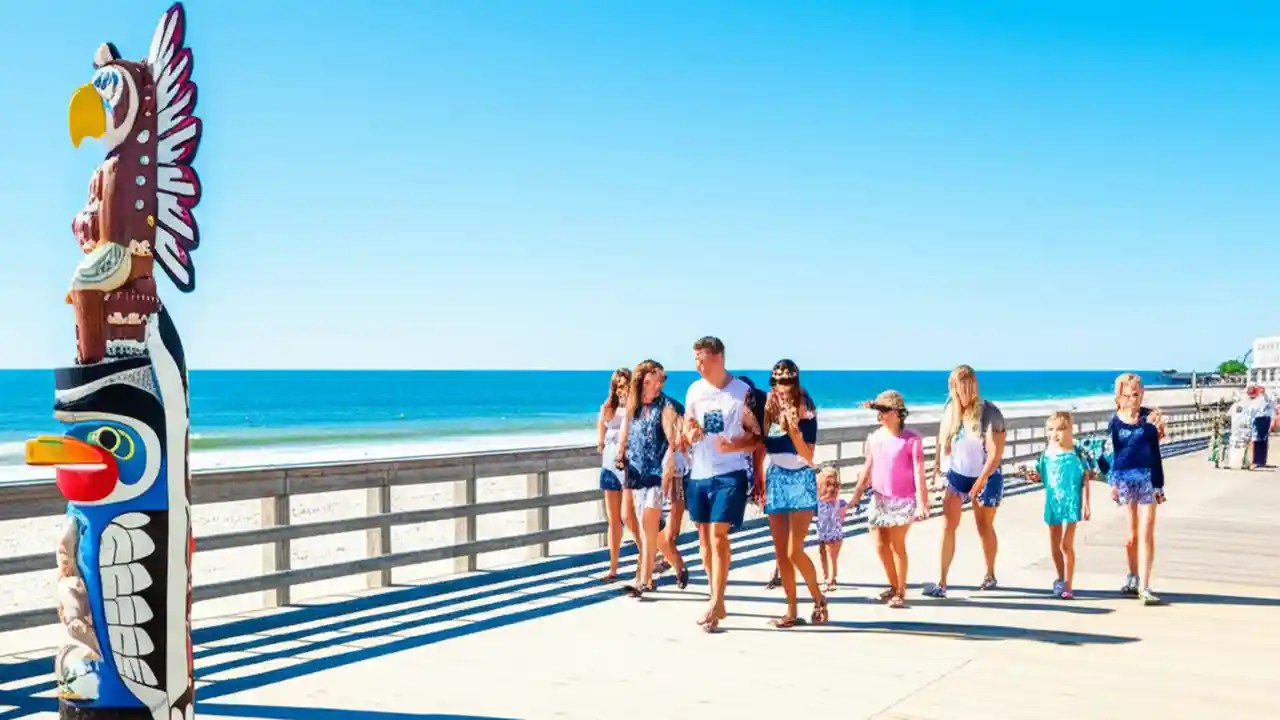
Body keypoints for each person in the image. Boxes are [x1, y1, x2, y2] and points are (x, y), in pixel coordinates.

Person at [683, 336, 762, 632]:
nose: (697, 365)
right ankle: (716, 597)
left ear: (719, 358)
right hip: (699, 473)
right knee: (704, 542)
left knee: (718, 536)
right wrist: (688, 434)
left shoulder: (743, 392)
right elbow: (687, 424)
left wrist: (736, 445)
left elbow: (757, 436)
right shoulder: (694, 390)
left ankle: (715, 603)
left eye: (701, 359)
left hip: (730, 472)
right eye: (695, 359)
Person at [925, 365, 1007, 598]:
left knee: (984, 527)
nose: (956, 391)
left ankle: (990, 573)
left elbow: (995, 454)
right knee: (948, 525)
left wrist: (979, 483)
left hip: (986, 476)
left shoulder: (989, 412)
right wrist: (937, 470)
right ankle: (941, 581)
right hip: (958, 475)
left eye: (959, 386)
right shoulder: (950, 409)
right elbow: (942, 440)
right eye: (953, 386)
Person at [761, 359, 828, 627]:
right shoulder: (770, 405)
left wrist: (794, 430)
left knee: (794, 550)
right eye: (776, 381)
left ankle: (818, 599)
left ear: (796, 381)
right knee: (781, 553)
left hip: (800, 478)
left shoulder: (806, 409)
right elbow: (762, 442)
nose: (781, 386)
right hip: (776, 477)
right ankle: (791, 611)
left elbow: (809, 456)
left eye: (787, 380)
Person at [615, 360, 688, 597]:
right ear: (643, 380)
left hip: (658, 475)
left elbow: (673, 438)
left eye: (662, 380)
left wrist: (670, 460)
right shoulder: (633, 405)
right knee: (648, 529)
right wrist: (620, 451)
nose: (660, 384)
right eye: (657, 379)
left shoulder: (666, 406)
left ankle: (643, 580)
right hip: (636, 473)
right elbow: (625, 429)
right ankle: (677, 564)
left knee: (648, 526)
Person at [850, 391, 929, 608]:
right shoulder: (874, 438)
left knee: (897, 544)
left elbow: (918, 471)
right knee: (880, 545)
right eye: (878, 410)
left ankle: (901, 591)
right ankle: (893, 586)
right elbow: (868, 467)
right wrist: (855, 495)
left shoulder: (912, 439)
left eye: (883, 410)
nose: (880, 415)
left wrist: (922, 503)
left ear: (896, 413)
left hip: (903, 500)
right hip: (879, 499)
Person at [1096, 373, 1166, 605]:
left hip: (1147, 477)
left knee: (1147, 532)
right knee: (1132, 536)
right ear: (1118, 396)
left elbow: (1156, 453)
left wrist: (1158, 485)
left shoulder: (1150, 419)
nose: (1131, 400)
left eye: (1135, 394)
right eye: (1126, 395)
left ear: (1142, 393)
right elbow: (1110, 455)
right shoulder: (1114, 421)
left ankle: (1145, 586)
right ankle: (1133, 575)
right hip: (1125, 479)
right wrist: (1112, 482)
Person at [1024, 411, 1094, 599]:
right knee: (1054, 544)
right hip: (1053, 502)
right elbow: (1041, 476)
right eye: (1051, 430)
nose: (1055, 434)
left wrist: (1087, 504)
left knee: (1066, 545)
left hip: (1072, 502)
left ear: (1071, 430)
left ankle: (1069, 585)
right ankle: (1060, 578)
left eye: (1061, 429)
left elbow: (1086, 478)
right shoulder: (1047, 455)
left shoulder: (1077, 454)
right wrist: (1031, 475)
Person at [596, 367, 638, 581]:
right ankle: (613, 567)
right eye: (617, 385)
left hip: (628, 465)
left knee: (628, 517)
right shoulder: (608, 407)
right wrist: (602, 441)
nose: (621, 388)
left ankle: (648, 557)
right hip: (609, 465)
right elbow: (600, 437)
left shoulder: (635, 408)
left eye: (625, 384)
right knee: (613, 520)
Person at [814, 467, 847, 591]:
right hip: (823, 532)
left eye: (834, 485)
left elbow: (843, 513)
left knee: (831, 556)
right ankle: (825, 576)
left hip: (834, 533)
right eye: (827, 485)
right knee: (823, 553)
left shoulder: (838, 501)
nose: (831, 489)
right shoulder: (819, 501)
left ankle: (831, 579)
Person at [1249, 386, 1274, 467]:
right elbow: (1271, 410)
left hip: (1258, 419)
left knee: (1255, 440)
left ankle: (1255, 461)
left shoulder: (1257, 400)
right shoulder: (1268, 399)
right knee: (1264, 440)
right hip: (1266, 419)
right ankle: (1262, 461)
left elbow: (1251, 411)